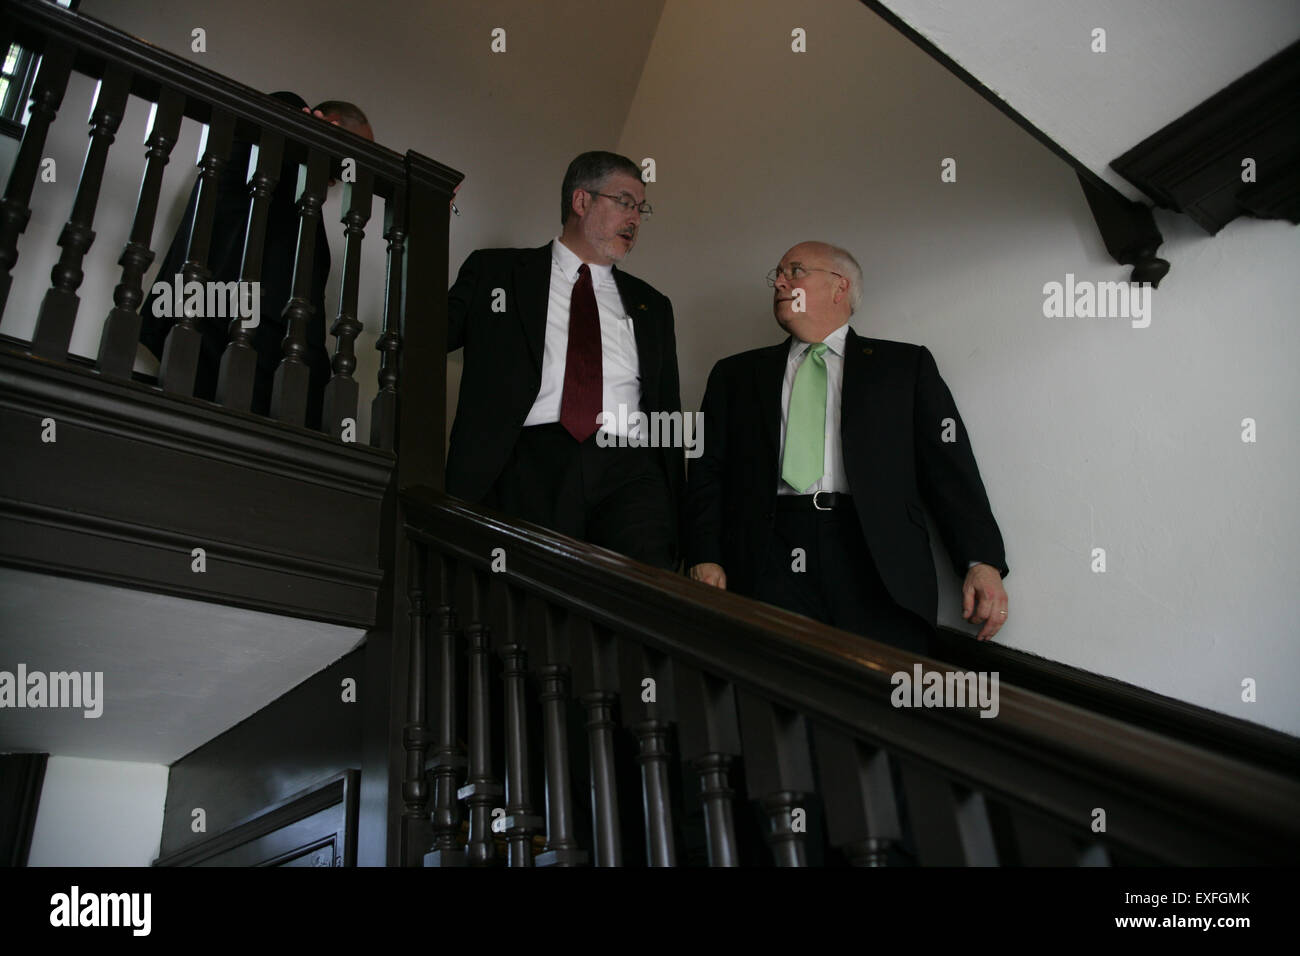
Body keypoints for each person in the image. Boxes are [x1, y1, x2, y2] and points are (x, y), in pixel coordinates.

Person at [686, 241, 1009, 652]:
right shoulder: (735, 375)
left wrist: (982, 563)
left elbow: (949, 470)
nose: (780, 282)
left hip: (876, 557)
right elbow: (706, 470)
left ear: (840, 286)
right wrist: (704, 554)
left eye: (795, 270)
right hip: (768, 551)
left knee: (879, 697)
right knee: (773, 688)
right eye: (777, 274)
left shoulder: (904, 368)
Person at [445, 151, 684, 569]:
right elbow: (428, 335)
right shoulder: (495, 272)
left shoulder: (653, 304)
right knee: (528, 595)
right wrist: (428, 220)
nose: (636, 219)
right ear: (581, 202)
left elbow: (668, 403)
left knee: (645, 591)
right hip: (529, 458)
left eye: (641, 208)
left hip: (628, 466)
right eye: (625, 202)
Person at [139, 93, 374, 430]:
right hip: (222, 331)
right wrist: (303, 132)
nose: (353, 175)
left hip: (229, 336)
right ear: (332, 126)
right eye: (357, 157)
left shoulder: (299, 196)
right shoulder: (278, 129)